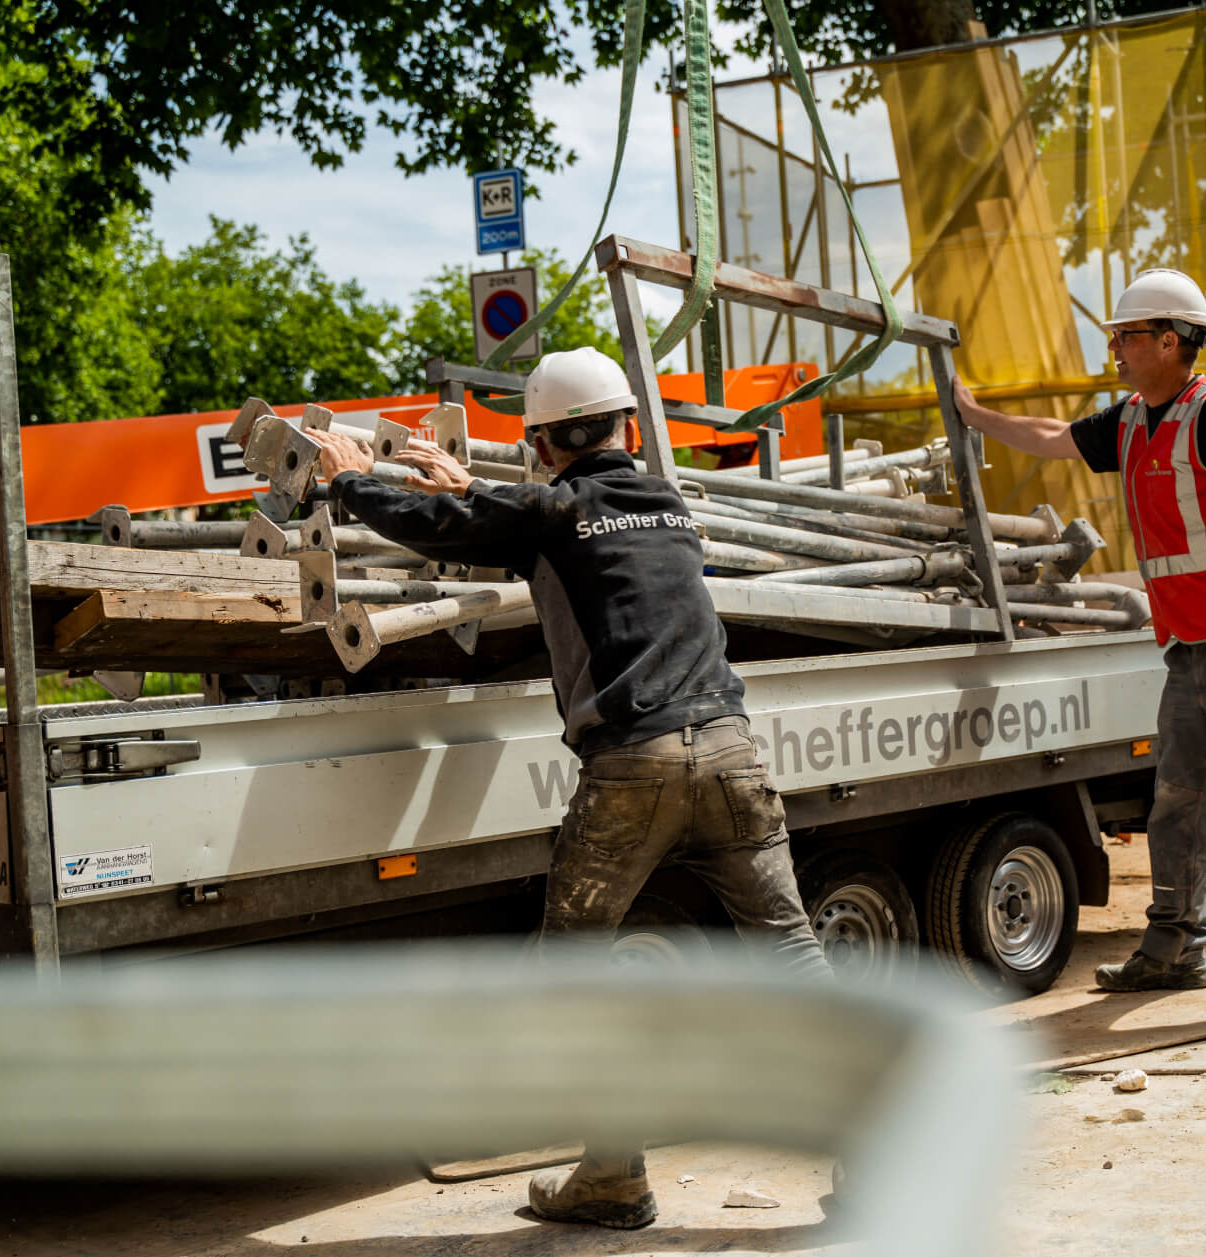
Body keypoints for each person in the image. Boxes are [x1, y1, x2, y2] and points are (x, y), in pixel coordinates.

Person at [305, 346, 835, 1228]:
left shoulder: (548, 512)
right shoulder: (667, 504)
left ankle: (614, 1175)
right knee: (791, 951)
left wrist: (350, 480)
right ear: (627, 428)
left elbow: (452, 526)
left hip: (633, 762)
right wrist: (470, 488)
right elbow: (549, 522)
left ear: (542, 445)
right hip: (731, 749)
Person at [951, 269, 1206, 1036]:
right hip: (1190, 649)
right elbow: (1052, 437)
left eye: (1125, 335)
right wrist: (974, 414)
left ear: (1169, 340)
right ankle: (1174, 948)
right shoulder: (1134, 419)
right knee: (1178, 803)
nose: (1113, 346)